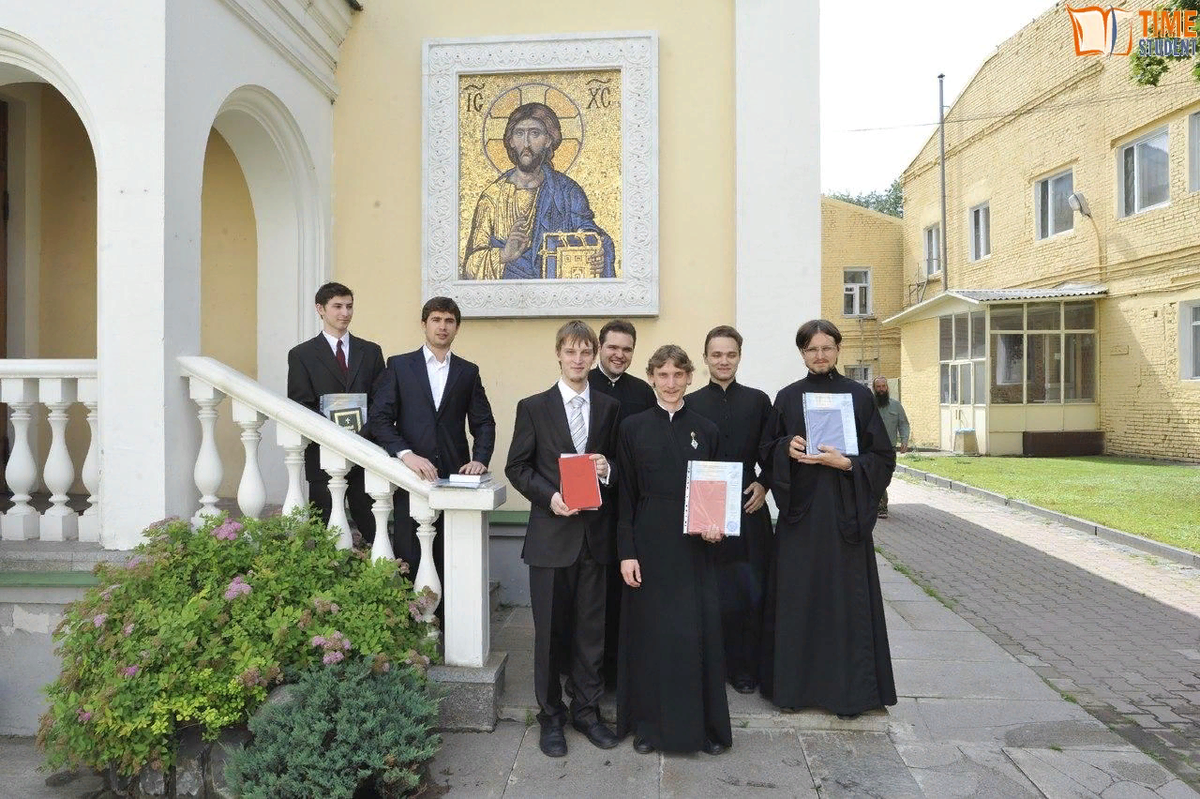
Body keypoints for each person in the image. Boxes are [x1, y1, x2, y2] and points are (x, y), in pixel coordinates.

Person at [759, 319, 897, 719]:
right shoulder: (786, 398)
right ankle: (794, 690)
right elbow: (765, 450)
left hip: (844, 518)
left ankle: (848, 694)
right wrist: (786, 447)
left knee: (843, 601)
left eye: (827, 348)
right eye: (811, 349)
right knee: (799, 600)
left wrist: (847, 463)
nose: (819, 355)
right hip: (801, 519)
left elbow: (883, 458)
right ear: (801, 353)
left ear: (838, 350)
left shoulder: (859, 396)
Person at [504, 321, 621, 758]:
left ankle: (586, 712)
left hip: (594, 538)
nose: (578, 359)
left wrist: (607, 471)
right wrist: (549, 497)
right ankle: (550, 717)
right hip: (552, 538)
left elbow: (614, 465)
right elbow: (517, 467)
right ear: (558, 354)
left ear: (594, 356)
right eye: (570, 352)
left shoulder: (609, 408)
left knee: (592, 633)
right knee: (551, 633)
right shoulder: (533, 406)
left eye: (585, 352)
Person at [616, 345, 732, 756]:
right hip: (647, 542)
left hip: (693, 546)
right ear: (651, 378)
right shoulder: (632, 428)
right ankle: (648, 727)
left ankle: (701, 729)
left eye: (678, 375)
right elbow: (625, 496)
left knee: (694, 634)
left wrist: (716, 528)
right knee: (650, 636)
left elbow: (716, 490)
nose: (670, 383)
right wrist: (626, 552)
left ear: (689, 378)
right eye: (662, 375)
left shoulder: (707, 429)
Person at [367, 296, 496, 576]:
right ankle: (414, 619)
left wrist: (480, 459)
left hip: (454, 479)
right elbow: (379, 418)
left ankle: (449, 619)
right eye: (436, 320)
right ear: (424, 324)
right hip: (410, 477)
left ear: (457, 327)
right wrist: (406, 454)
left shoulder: (468, 371)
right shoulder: (400, 366)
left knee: (452, 557)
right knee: (410, 553)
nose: (442, 326)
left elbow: (484, 422)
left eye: (449, 321)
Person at [686, 325, 773, 694]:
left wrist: (765, 482)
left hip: (747, 507)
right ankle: (709, 666)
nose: (724, 361)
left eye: (731, 354)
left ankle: (744, 668)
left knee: (746, 591)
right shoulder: (689, 403)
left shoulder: (758, 401)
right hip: (703, 508)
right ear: (705, 358)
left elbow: (772, 451)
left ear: (740, 356)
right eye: (716, 355)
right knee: (709, 590)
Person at [461, 102, 615, 280]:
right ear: (510, 140)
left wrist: (598, 252)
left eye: (535, 133)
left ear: (548, 139)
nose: (526, 143)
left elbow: (591, 235)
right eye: (519, 133)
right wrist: (504, 254)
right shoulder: (492, 197)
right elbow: (470, 266)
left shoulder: (568, 192)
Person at [286, 282, 385, 541]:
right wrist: (336, 436)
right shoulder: (301, 355)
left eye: (349, 306)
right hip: (323, 454)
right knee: (323, 530)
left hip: (365, 453)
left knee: (374, 528)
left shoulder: (371, 352)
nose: (345, 313)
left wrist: (361, 436)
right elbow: (300, 405)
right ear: (320, 309)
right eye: (337, 306)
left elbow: (382, 401)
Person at [587, 319, 656, 687]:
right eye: (613, 347)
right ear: (600, 347)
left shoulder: (643, 392)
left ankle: (620, 669)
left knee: (625, 588)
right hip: (590, 507)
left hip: (629, 502)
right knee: (594, 592)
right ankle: (588, 670)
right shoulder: (585, 384)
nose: (619, 354)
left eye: (627, 349)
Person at [872, 376, 909, 519]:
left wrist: (904, 440)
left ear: (887, 387)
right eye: (878, 387)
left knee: (885, 477)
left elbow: (904, 424)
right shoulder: (869, 406)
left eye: (883, 386)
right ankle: (881, 507)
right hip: (872, 448)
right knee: (875, 477)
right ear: (874, 389)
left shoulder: (896, 406)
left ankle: (877, 504)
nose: (881, 389)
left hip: (889, 449)